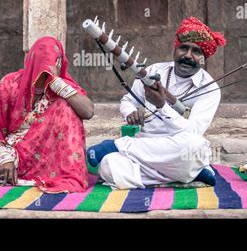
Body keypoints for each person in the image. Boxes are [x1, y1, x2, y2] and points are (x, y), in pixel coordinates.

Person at [87, 17, 226, 189]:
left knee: (195, 146)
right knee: (107, 165)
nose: (188, 55)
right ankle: (185, 177)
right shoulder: (154, 71)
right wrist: (130, 112)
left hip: (177, 149)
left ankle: (116, 145)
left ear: (204, 58)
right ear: (175, 49)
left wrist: (162, 106)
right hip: (146, 145)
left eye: (197, 52)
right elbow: (127, 100)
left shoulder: (210, 89)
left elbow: (193, 131)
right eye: (183, 48)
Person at [0, 36, 94, 193]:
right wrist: (5, 159)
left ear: (59, 64)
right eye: (40, 68)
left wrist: (57, 83)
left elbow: (88, 111)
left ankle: (27, 179)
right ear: (31, 62)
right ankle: (28, 179)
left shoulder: (64, 89)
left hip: (49, 159)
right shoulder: (9, 84)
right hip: (15, 152)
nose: (43, 75)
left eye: (50, 67)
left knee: (66, 106)